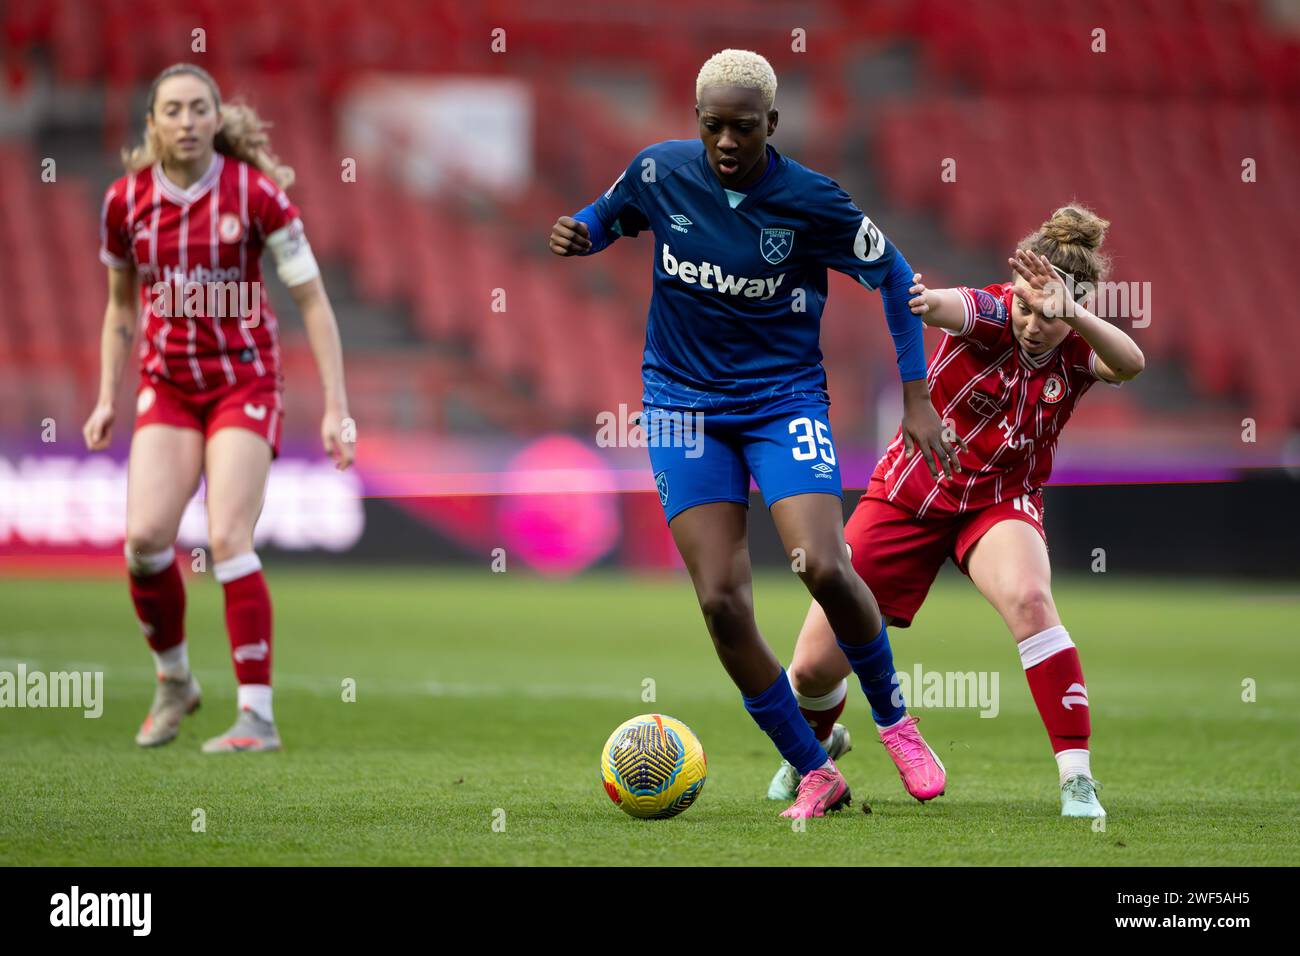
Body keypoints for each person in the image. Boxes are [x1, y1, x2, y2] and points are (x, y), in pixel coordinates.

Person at [550, 49, 958, 817]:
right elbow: (608, 216)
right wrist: (583, 233)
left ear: (772, 124)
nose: (728, 142)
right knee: (721, 603)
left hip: (783, 403)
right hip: (680, 406)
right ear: (697, 124)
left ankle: (894, 718)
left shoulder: (814, 202)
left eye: (744, 128)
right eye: (714, 128)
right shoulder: (658, 172)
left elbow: (900, 283)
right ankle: (814, 769)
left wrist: (917, 399)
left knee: (824, 567)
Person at [767, 205, 1145, 817]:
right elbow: (942, 304)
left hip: (999, 502)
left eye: (1046, 312)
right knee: (810, 670)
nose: (1030, 321)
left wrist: (1069, 312)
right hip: (912, 491)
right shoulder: (993, 312)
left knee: (1030, 600)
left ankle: (1077, 780)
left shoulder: (1078, 347)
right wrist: (917, 294)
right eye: (1024, 304)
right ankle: (820, 746)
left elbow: (1131, 363)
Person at [83, 63, 354, 753]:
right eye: (172, 109)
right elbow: (120, 306)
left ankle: (257, 717)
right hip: (168, 384)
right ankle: (174, 679)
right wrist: (106, 395)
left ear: (215, 118)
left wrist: (336, 408)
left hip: (243, 382)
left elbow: (313, 300)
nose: (186, 121)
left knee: (227, 536)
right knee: (145, 541)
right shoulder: (124, 203)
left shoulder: (257, 195)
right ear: (152, 123)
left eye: (198, 108)